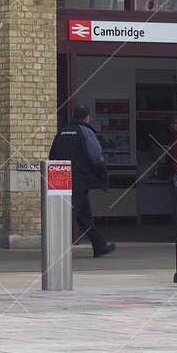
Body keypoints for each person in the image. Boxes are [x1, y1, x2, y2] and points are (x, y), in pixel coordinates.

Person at [49, 104, 115, 257]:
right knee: (71, 213)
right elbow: (96, 156)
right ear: (87, 117)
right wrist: (103, 176)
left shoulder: (62, 131)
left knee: (83, 215)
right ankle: (56, 248)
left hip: (62, 180)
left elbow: (52, 156)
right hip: (79, 180)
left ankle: (99, 245)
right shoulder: (85, 131)